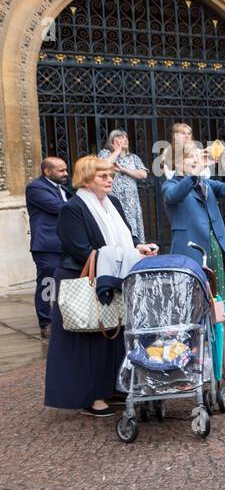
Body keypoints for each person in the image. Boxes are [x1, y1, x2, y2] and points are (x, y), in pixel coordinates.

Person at [45, 156, 156, 416]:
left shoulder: (113, 203)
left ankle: (113, 387)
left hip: (110, 276)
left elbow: (128, 236)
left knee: (114, 334)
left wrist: (138, 248)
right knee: (89, 338)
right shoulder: (72, 208)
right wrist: (122, 257)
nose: (110, 180)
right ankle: (90, 396)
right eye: (103, 176)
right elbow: (80, 248)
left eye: (111, 176)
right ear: (85, 178)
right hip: (82, 278)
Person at [164, 141, 225, 393]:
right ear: (176, 163)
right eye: (188, 158)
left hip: (217, 255)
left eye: (195, 157)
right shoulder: (169, 185)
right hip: (193, 258)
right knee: (194, 317)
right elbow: (174, 196)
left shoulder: (205, 184)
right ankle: (195, 373)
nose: (194, 161)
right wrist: (194, 172)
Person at [26, 157, 69, 338]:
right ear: (47, 171)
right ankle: (46, 322)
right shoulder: (36, 188)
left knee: (66, 282)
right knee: (47, 284)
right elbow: (57, 207)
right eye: (61, 170)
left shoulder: (63, 188)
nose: (65, 173)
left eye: (66, 169)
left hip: (65, 244)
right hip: (47, 245)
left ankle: (63, 319)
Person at [98, 130, 148, 242]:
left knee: (133, 229)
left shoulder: (133, 157)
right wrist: (117, 151)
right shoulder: (105, 153)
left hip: (131, 202)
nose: (125, 140)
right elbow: (103, 165)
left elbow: (143, 174)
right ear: (112, 141)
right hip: (113, 198)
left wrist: (124, 170)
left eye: (126, 138)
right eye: (120, 137)